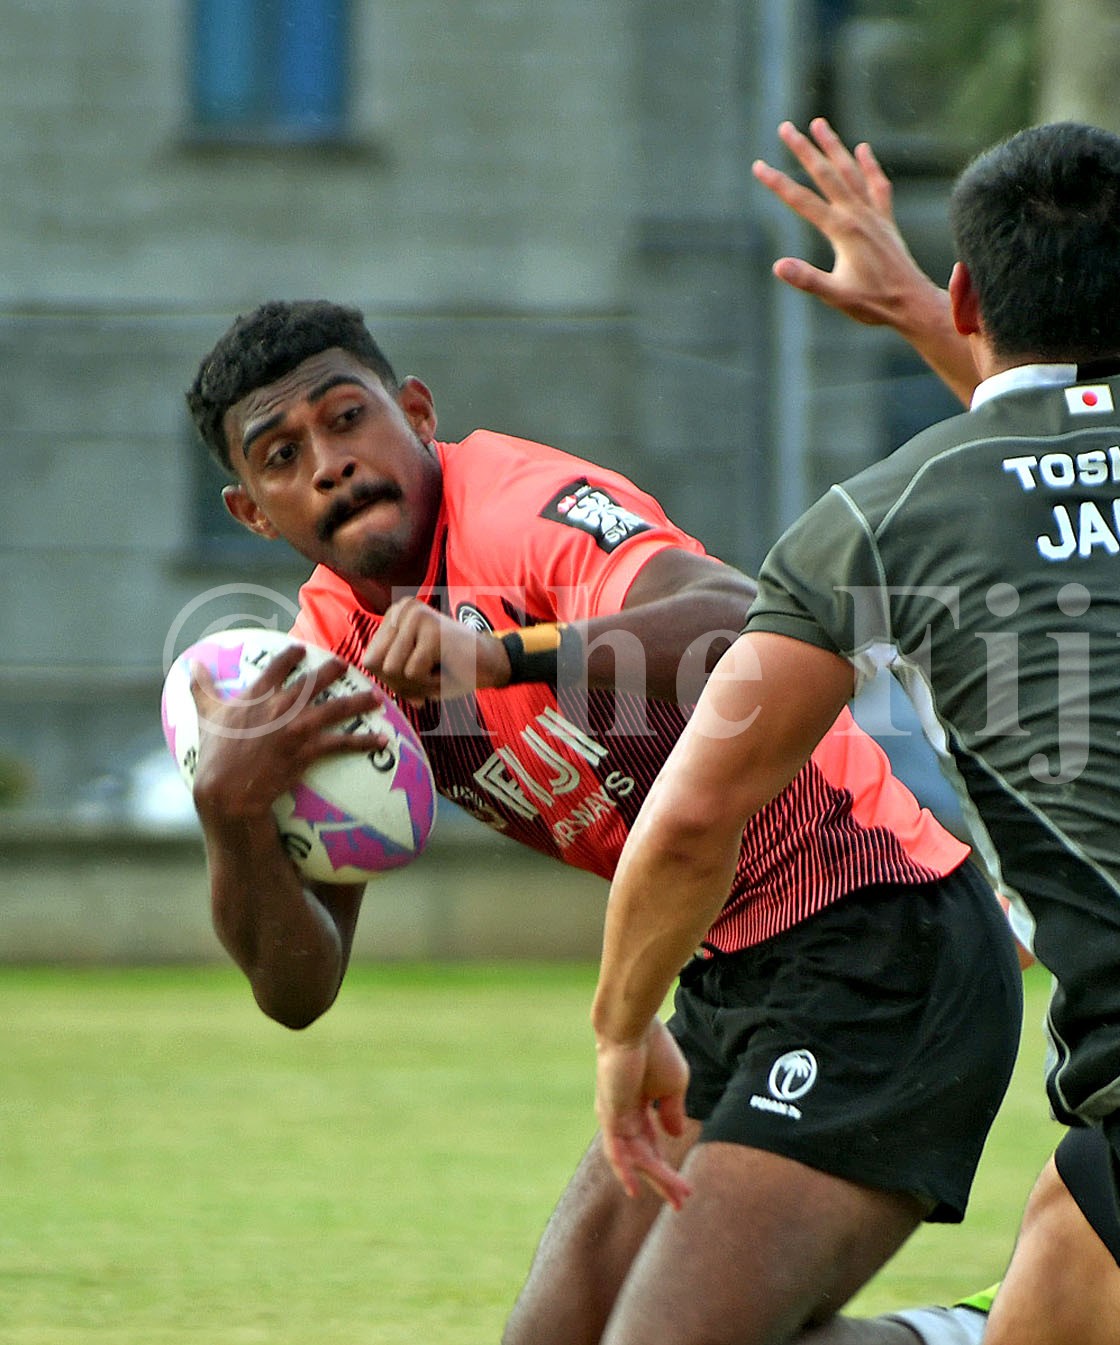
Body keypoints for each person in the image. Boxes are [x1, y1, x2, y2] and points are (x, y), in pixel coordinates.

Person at [594, 121, 1120, 1345]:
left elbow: (688, 820)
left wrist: (624, 1027)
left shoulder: (875, 522)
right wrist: (928, 313)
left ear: (964, 290)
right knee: (1056, 1277)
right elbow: (1057, 465)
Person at [181, 300, 1022, 1345]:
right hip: (724, 983)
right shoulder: (332, 663)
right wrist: (232, 813)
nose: (330, 463)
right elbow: (299, 988)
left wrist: (508, 654)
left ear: (415, 411)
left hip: (885, 938)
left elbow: (740, 619)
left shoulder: (521, 509)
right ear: (252, 512)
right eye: (281, 454)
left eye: (347, 418)